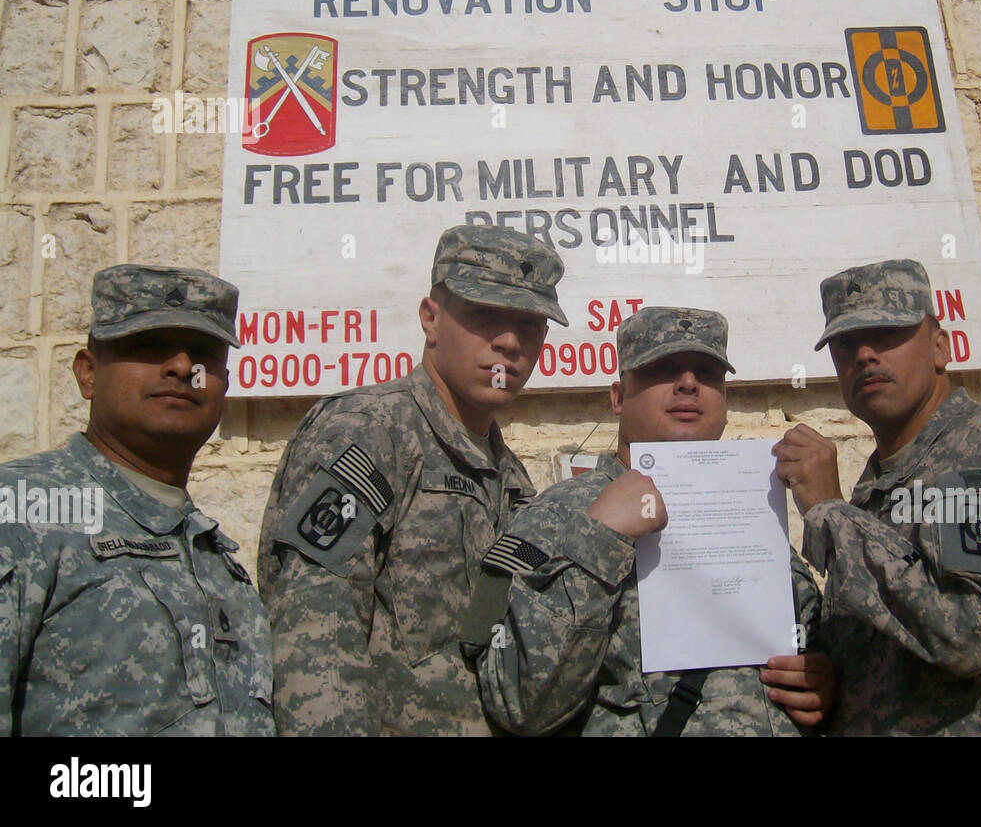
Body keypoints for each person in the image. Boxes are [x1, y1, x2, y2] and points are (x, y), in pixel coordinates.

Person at [462, 305, 833, 736]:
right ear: (618, 397)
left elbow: (814, 644)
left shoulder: (757, 516)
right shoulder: (552, 517)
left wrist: (822, 678)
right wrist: (599, 539)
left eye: (708, 374)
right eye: (664, 369)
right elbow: (519, 705)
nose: (689, 384)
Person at [258, 224, 566, 735]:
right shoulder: (371, 433)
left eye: (530, 324)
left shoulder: (509, 476)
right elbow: (313, 639)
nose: (509, 342)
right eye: (485, 315)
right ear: (431, 318)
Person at [772, 259, 981, 735]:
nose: (864, 355)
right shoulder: (876, 491)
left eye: (887, 334)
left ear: (940, 347)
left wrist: (828, 512)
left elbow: (971, 631)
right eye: (845, 346)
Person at [0, 264, 272, 736]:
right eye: (148, 346)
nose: (184, 367)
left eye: (205, 354)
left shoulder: (215, 557)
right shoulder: (22, 511)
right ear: (87, 374)